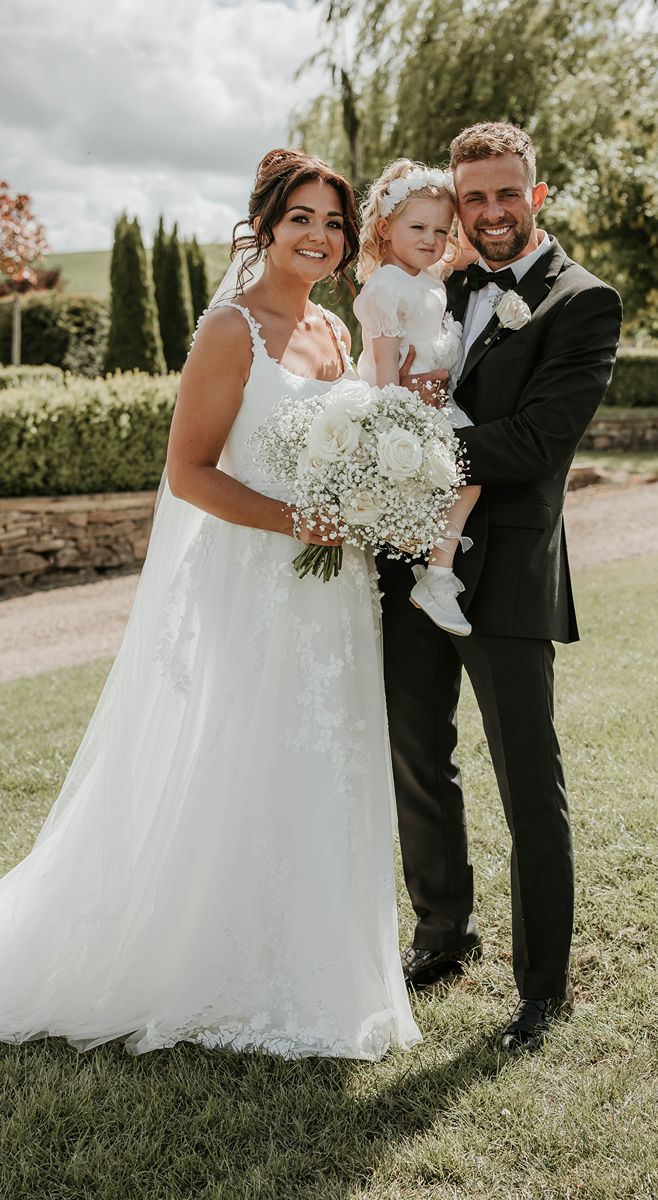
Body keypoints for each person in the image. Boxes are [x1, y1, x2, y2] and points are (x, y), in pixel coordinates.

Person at [0, 149, 420, 1061]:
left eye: (334, 223)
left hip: (333, 592)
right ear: (265, 226)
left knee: (328, 757)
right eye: (301, 218)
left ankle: (317, 965)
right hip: (257, 581)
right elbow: (187, 473)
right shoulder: (233, 329)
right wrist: (296, 520)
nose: (319, 236)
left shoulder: (337, 333)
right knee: (248, 756)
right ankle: (213, 961)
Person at [381, 122, 623, 1053]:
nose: (488, 213)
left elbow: (536, 442)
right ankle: (443, 934)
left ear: (540, 192)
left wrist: (396, 452)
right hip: (409, 555)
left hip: (510, 566)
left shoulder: (583, 302)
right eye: (472, 196)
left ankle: (543, 987)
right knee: (418, 759)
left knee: (529, 780)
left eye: (505, 193)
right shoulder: (436, 281)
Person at [352, 158, 481, 637]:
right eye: (418, 227)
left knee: (468, 477)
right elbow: (384, 360)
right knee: (464, 475)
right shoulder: (385, 286)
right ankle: (436, 572)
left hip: (435, 402)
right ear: (385, 228)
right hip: (408, 407)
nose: (432, 240)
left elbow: (461, 252)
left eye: (441, 231)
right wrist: (397, 420)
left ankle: (436, 568)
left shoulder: (427, 276)